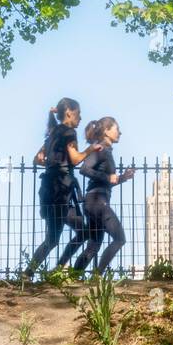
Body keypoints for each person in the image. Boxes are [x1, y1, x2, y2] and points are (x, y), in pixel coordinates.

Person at [22, 99, 102, 279]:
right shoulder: (69, 132)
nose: (80, 118)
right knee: (82, 232)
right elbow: (75, 159)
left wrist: (52, 164)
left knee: (53, 239)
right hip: (62, 192)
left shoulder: (51, 135)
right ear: (69, 113)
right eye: (78, 114)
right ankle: (57, 269)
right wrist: (90, 149)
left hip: (49, 190)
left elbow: (37, 159)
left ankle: (30, 273)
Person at [71, 117, 135, 276]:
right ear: (106, 131)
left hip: (95, 201)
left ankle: (72, 277)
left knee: (93, 246)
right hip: (97, 202)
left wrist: (122, 178)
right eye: (116, 128)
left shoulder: (106, 151)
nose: (120, 132)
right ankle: (97, 276)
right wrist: (108, 178)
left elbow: (105, 181)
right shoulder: (101, 149)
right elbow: (84, 169)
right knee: (120, 239)